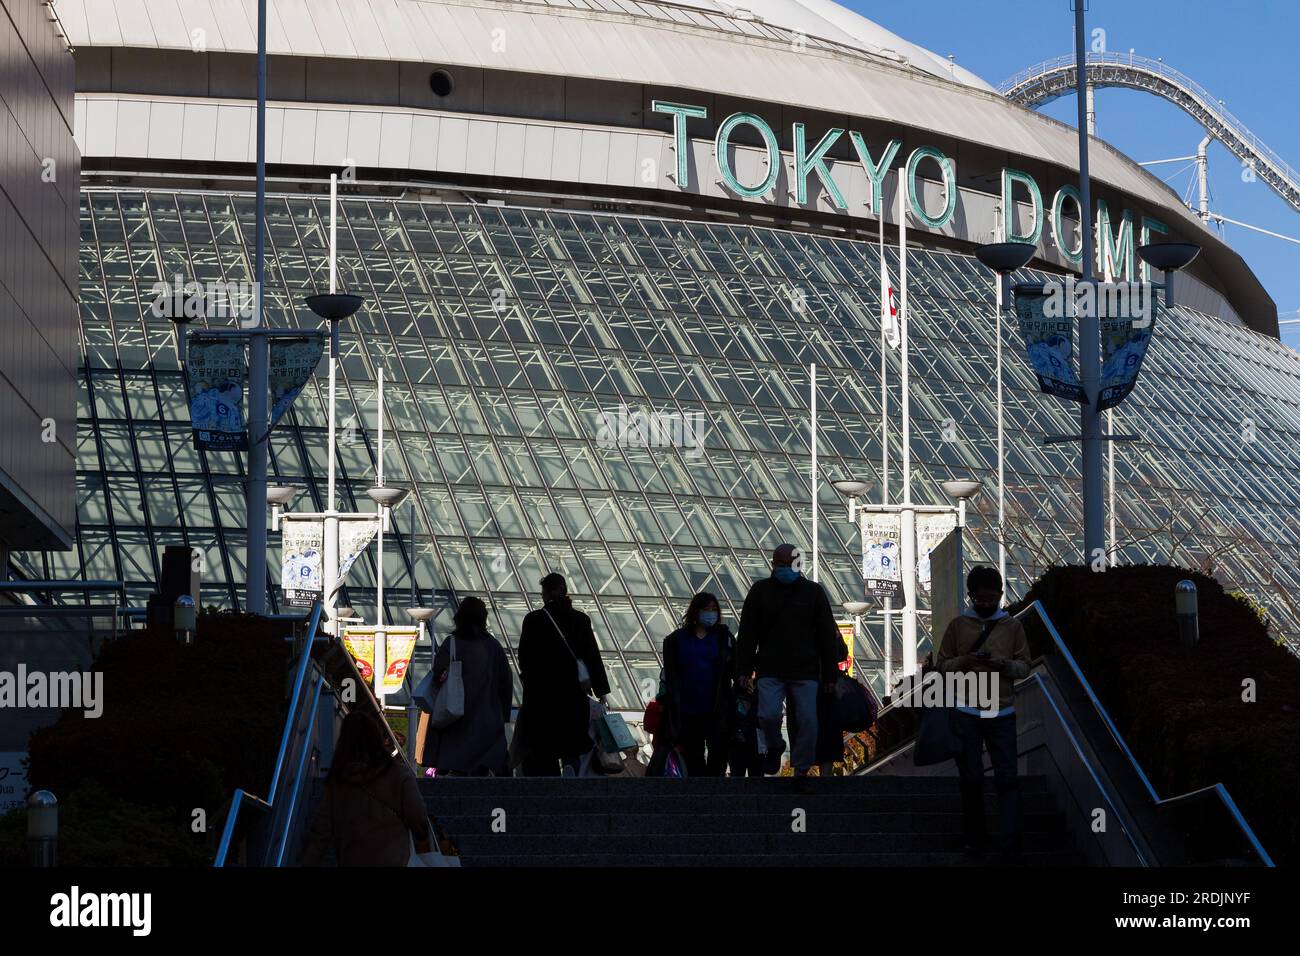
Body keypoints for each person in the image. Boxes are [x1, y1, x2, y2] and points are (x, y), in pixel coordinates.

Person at [935, 565, 1031, 856]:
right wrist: (965, 661)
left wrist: (1002, 665)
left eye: (993, 599)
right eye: (982, 599)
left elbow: (1024, 665)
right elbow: (941, 665)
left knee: (1007, 777)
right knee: (972, 777)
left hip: (1000, 710)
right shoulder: (958, 625)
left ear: (1001, 595)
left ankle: (1008, 838)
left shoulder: (1012, 626)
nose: (987, 604)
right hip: (966, 709)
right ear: (972, 596)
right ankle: (975, 835)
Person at [736, 544, 842, 779]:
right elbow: (747, 633)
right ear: (773, 564)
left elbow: (827, 636)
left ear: (798, 564)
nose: (785, 568)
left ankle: (801, 771)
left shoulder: (813, 593)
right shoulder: (760, 591)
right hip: (770, 668)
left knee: (808, 721)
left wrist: (829, 675)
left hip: (806, 670)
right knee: (767, 716)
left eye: (789, 563)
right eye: (780, 564)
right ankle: (775, 745)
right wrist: (743, 668)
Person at [301, 709, 429, 866]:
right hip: (394, 859)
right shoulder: (398, 773)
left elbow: (321, 833)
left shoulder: (339, 780)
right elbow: (418, 816)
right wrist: (422, 837)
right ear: (376, 738)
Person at [516, 572, 611, 776]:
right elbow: (592, 656)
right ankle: (571, 768)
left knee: (544, 744)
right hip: (573, 693)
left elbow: (524, 657)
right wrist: (601, 690)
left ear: (546, 593)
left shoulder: (534, 620)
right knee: (571, 739)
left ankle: (548, 783)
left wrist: (529, 682)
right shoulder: (581, 620)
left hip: (542, 694)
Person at [418, 596, 513, 776]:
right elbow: (506, 681)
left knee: (459, 767)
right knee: (483, 766)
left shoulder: (452, 643)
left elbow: (438, 670)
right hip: (487, 718)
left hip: (456, 717)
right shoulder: (493, 646)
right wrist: (504, 714)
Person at [655, 592, 735, 776]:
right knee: (693, 751)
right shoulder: (677, 639)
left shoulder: (724, 638)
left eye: (714, 609)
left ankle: (714, 784)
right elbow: (668, 672)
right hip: (688, 705)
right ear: (695, 611)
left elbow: (734, 668)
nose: (711, 613)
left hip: (716, 704)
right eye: (706, 609)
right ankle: (699, 787)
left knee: (718, 748)